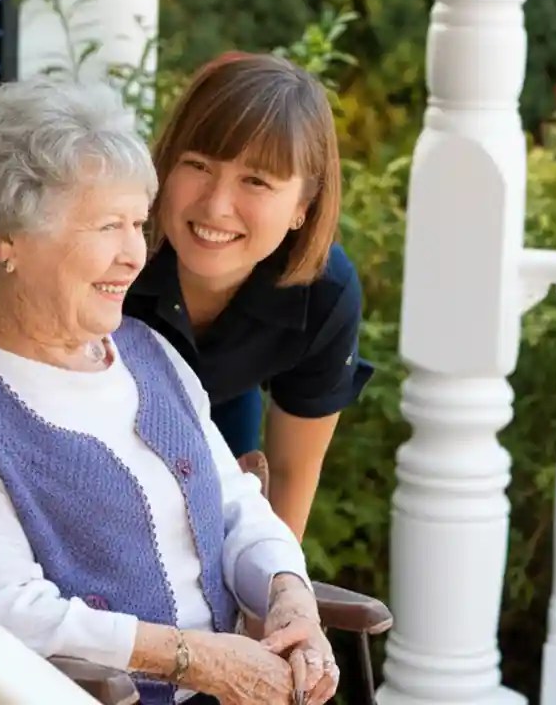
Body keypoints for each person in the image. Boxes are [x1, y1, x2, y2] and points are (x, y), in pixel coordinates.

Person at [0, 78, 339, 705]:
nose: (136, 255)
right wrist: (192, 660)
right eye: (108, 225)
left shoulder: (147, 353)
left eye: (138, 222)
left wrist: (286, 593)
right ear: (9, 238)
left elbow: (236, 503)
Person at [123, 52, 374, 541]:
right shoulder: (112, 249)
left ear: (303, 205)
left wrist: (278, 593)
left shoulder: (323, 293)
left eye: (256, 181)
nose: (216, 206)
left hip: (222, 417)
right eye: (197, 165)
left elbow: (289, 476)